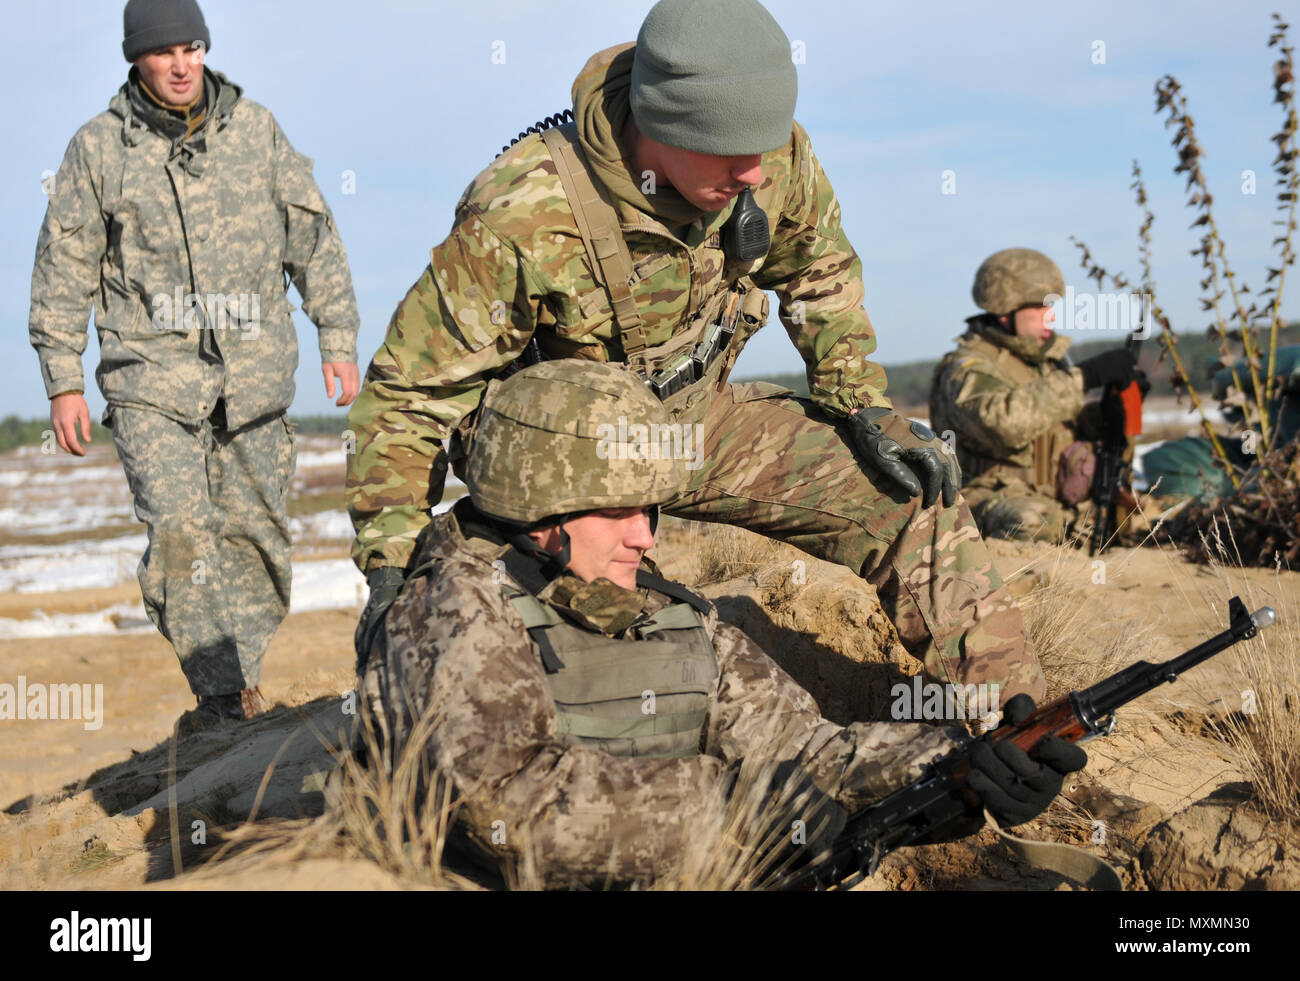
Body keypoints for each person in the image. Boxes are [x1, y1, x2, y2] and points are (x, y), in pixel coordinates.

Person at [347, 0, 1047, 720]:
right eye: (728, 149)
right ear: (659, 122)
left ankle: (1017, 728)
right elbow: (413, 395)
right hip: (568, 472)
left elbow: (821, 274)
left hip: (695, 424)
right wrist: (391, 566)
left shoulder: (769, 160)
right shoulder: (524, 212)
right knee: (565, 643)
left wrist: (863, 404)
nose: (752, 172)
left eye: (764, 146)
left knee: (909, 492)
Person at [355, 360, 1085, 889]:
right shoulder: (451, 610)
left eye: (653, 511)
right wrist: (743, 811)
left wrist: (965, 768)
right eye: (618, 512)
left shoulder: (660, 614)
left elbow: (809, 751)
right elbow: (512, 811)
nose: (645, 538)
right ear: (536, 513)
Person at [27, 0, 361, 728]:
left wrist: (337, 335)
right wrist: (63, 379)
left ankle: (242, 681)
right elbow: (64, 265)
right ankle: (218, 698)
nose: (181, 65)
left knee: (258, 535)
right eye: (164, 52)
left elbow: (312, 235)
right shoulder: (97, 149)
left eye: (192, 47)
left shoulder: (257, 131)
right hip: (150, 378)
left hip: (253, 378)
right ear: (134, 58)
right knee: (180, 527)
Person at [929, 249, 1142, 543]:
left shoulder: (1045, 362)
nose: (1051, 317)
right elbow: (1003, 423)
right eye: (1042, 307)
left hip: (1053, 495)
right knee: (1034, 522)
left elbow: (1062, 428)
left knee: (1131, 514)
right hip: (983, 497)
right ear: (1006, 310)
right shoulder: (966, 368)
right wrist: (1084, 377)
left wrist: (1110, 407)